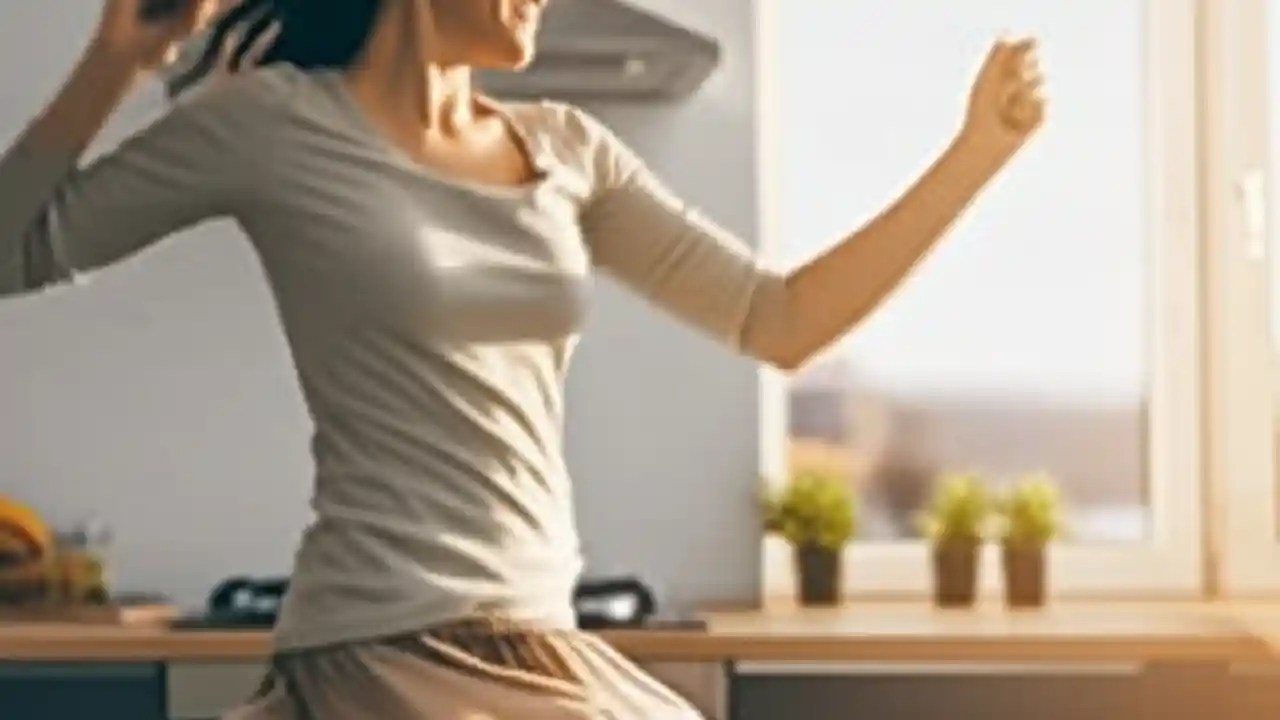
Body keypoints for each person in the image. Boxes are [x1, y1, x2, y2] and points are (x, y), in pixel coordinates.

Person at [0, 0, 1044, 717]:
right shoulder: (271, 125)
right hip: (382, 651)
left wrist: (974, 156)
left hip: (543, 640)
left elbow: (781, 319)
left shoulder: (566, 148)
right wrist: (112, 65)